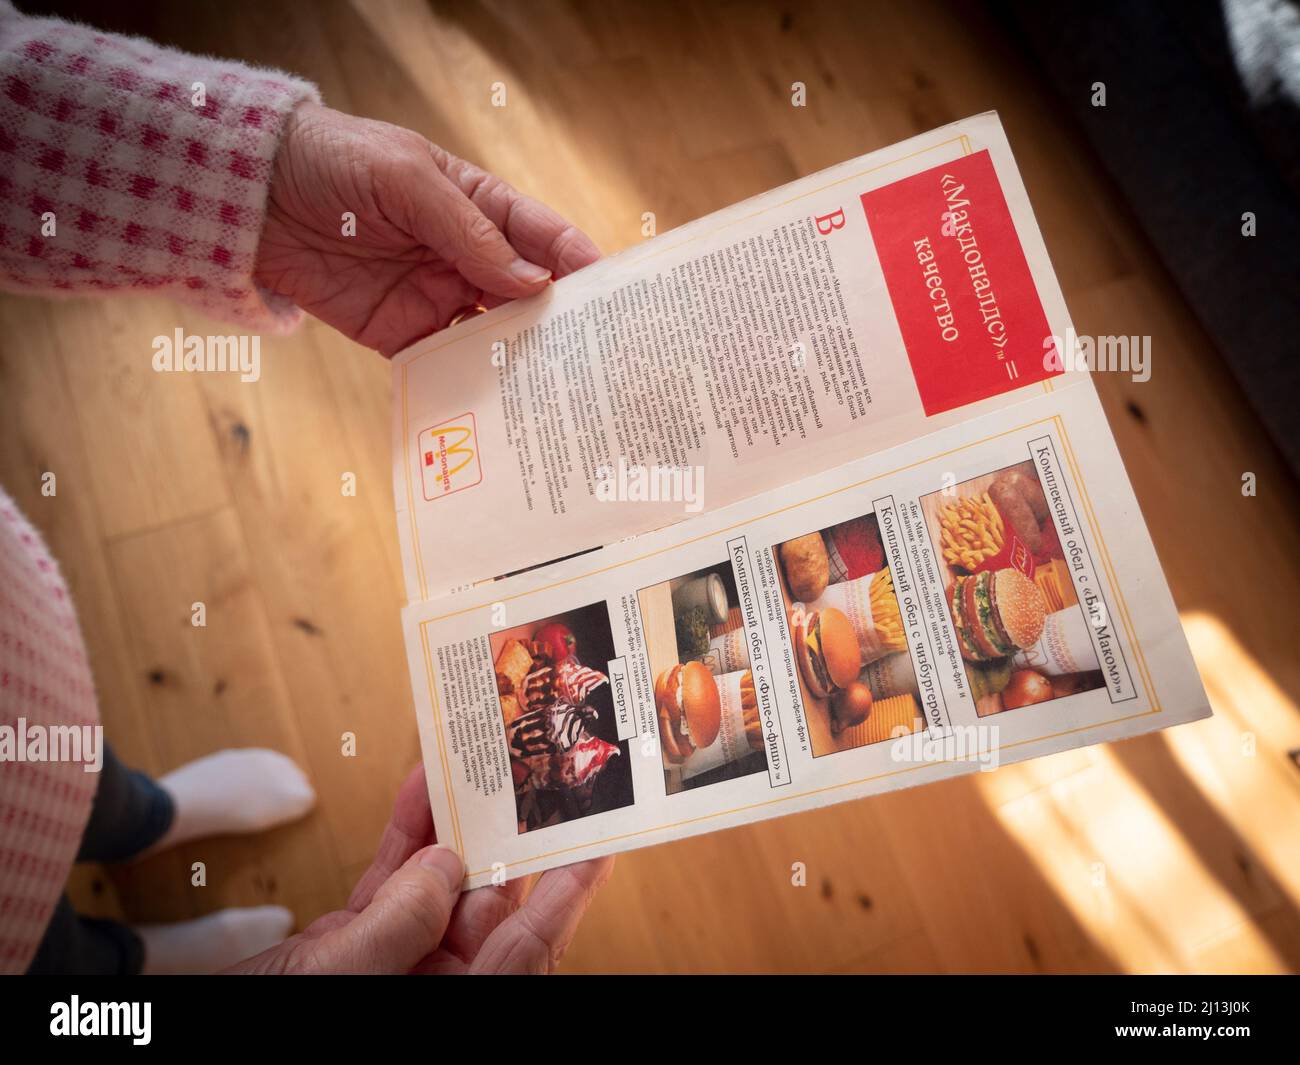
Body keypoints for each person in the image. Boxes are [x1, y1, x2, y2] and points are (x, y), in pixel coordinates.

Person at [0, 1, 610, 974]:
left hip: (17, 675)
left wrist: (263, 180)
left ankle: (141, 819)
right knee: (60, 959)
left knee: (73, 770)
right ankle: (128, 962)